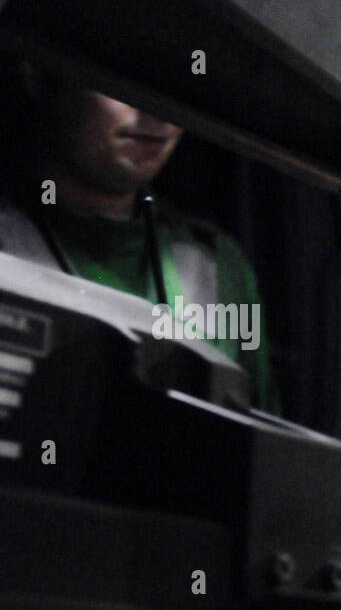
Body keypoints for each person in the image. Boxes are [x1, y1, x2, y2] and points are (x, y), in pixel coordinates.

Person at [0, 62, 279, 412]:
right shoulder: (11, 236)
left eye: (177, 89)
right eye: (121, 80)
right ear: (37, 73)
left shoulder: (220, 267)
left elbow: (258, 445)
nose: (156, 113)